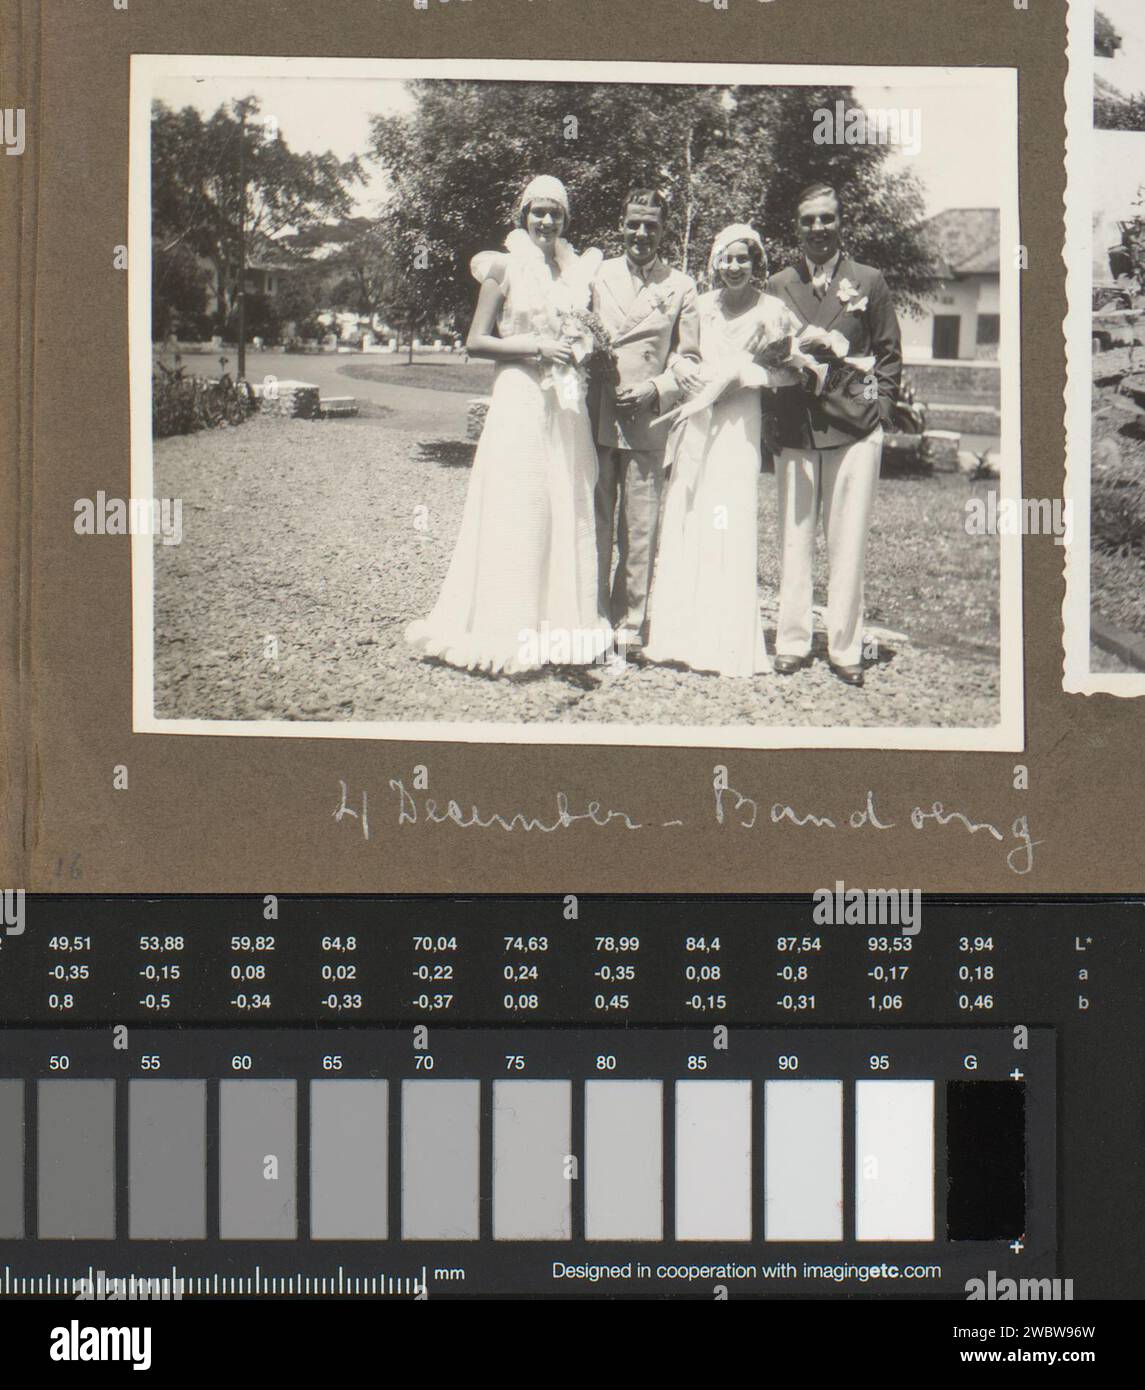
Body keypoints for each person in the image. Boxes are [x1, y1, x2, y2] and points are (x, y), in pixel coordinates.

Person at [406, 175, 610, 674]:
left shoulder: (575, 272)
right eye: (538, 212)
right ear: (523, 216)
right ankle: (506, 629)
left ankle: (562, 631)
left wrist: (581, 347)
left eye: (555, 214)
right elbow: (476, 341)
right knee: (520, 504)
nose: (546, 221)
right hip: (520, 396)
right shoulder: (502, 267)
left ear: (565, 220)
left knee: (566, 502)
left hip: (564, 403)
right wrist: (537, 346)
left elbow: (588, 333)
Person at [643, 225, 802, 678]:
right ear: (714, 263)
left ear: (756, 264)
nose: (734, 268)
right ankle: (677, 636)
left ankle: (724, 642)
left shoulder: (773, 312)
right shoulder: (701, 307)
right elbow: (680, 353)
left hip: (739, 427)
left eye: (743, 259)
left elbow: (793, 373)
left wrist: (750, 377)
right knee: (688, 514)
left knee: (727, 517)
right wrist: (683, 370)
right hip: (698, 422)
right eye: (726, 259)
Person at [765, 182, 902, 688]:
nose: (818, 228)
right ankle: (793, 642)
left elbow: (888, 354)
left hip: (854, 427)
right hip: (797, 425)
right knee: (795, 539)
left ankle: (845, 647)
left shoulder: (869, 279)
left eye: (827, 218)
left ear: (842, 223)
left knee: (847, 543)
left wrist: (879, 407)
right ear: (796, 227)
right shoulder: (778, 283)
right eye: (808, 220)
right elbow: (767, 349)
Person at [590, 190, 700, 654]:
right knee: (594, 520)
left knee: (639, 527)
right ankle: (591, 614)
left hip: (648, 419)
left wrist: (656, 388)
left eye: (651, 225)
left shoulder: (681, 285)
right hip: (598, 410)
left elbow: (689, 358)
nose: (641, 234)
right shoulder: (598, 276)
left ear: (664, 229)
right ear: (622, 223)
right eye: (634, 223)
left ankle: (630, 620)